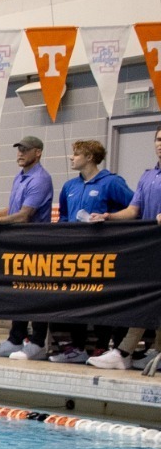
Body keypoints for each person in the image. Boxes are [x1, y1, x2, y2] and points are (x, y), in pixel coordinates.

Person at [46, 140, 134, 363]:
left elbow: (134, 209)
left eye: (76, 154)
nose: (71, 158)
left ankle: (102, 347)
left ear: (90, 157)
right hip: (75, 255)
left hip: (103, 254)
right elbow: (64, 217)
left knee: (101, 300)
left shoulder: (112, 182)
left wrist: (108, 220)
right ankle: (77, 347)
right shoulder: (69, 187)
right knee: (75, 299)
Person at [94, 126, 161, 371]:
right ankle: (149, 351)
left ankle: (124, 350)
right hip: (151, 248)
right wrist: (108, 216)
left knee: (148, 298)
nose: (160, 144)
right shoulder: (147, 176)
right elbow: (134, 210)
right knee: (148, 298)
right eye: (157, 139)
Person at [0, 135, 57, 359]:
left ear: (38, 153)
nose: (20, 153)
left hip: (36, 244)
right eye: (19, 149)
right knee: (18, 291)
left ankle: (37, 342)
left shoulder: (41, 179)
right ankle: (16, 338)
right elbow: (14, 208)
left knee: (35, 293)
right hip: (17, 243)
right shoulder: (20, 177)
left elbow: (25, 215)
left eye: (25, 150)